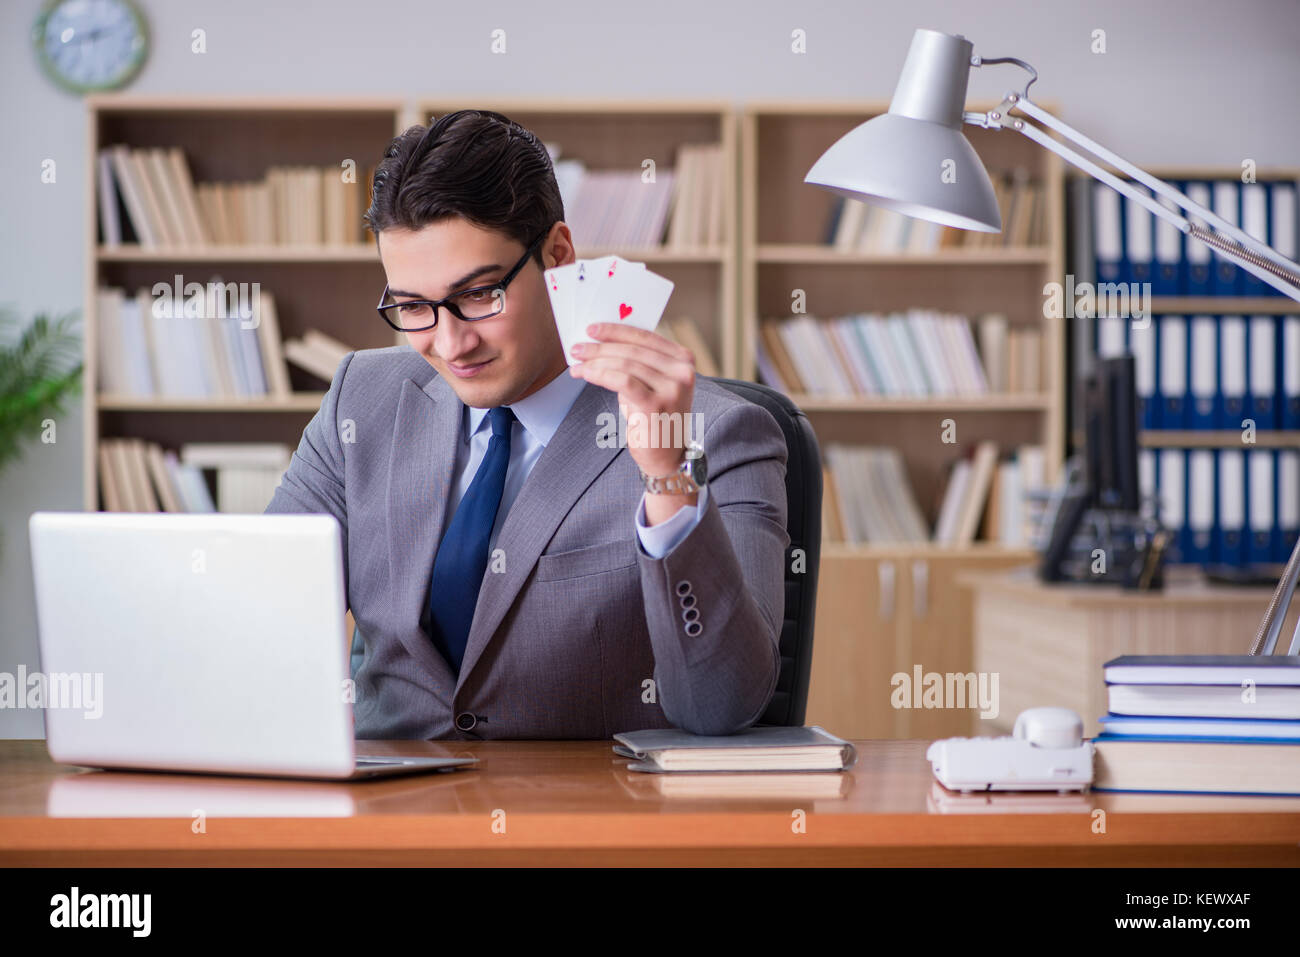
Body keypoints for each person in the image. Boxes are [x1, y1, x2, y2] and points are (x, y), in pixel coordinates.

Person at [266, 109, 789, 739]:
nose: (450, 343)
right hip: (381, 813)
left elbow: (722, 703)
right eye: (412, 307)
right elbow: (262, 614)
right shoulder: (362, 399)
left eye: (481, 295)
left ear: (559, 255)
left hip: (578, 820)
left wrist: (665, 480)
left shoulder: (718, 433)